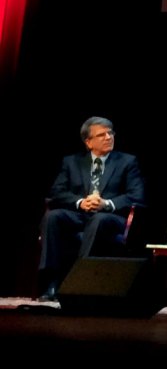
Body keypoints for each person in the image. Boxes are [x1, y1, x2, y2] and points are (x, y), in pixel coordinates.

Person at [39, 116, 145, 301]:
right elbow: (56, 192)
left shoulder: (127, 162)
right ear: (88, 142)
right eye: (102, 135)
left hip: (110, 218)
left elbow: (137, 196)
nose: (108, 137)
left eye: (110, 133)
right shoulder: (72, 162)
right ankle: (52, 282)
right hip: (79, 215)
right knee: (53, 217)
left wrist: (106, 203)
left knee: (99, 219)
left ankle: (80, 278)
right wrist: (80, 202)